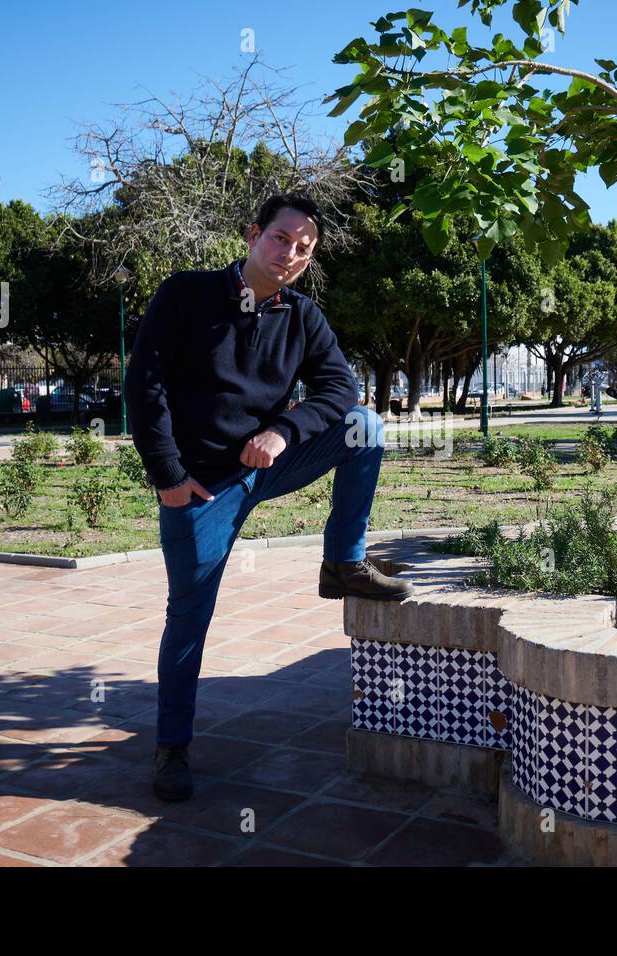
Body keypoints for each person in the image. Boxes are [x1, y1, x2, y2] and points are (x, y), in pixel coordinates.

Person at [125, 193, 413, 802]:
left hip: (268, 463)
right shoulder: (185, 294)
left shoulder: (303, 316)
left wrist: (284, 431)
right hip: (202, 486)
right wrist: (170, 479)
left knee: (367, 425)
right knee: (189, 617)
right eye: (282, 238)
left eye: (304, 248)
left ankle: (343, 562)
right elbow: (144, 390)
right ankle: (172, 747)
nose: (291, 253)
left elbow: (341, 387)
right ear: (253, 234)